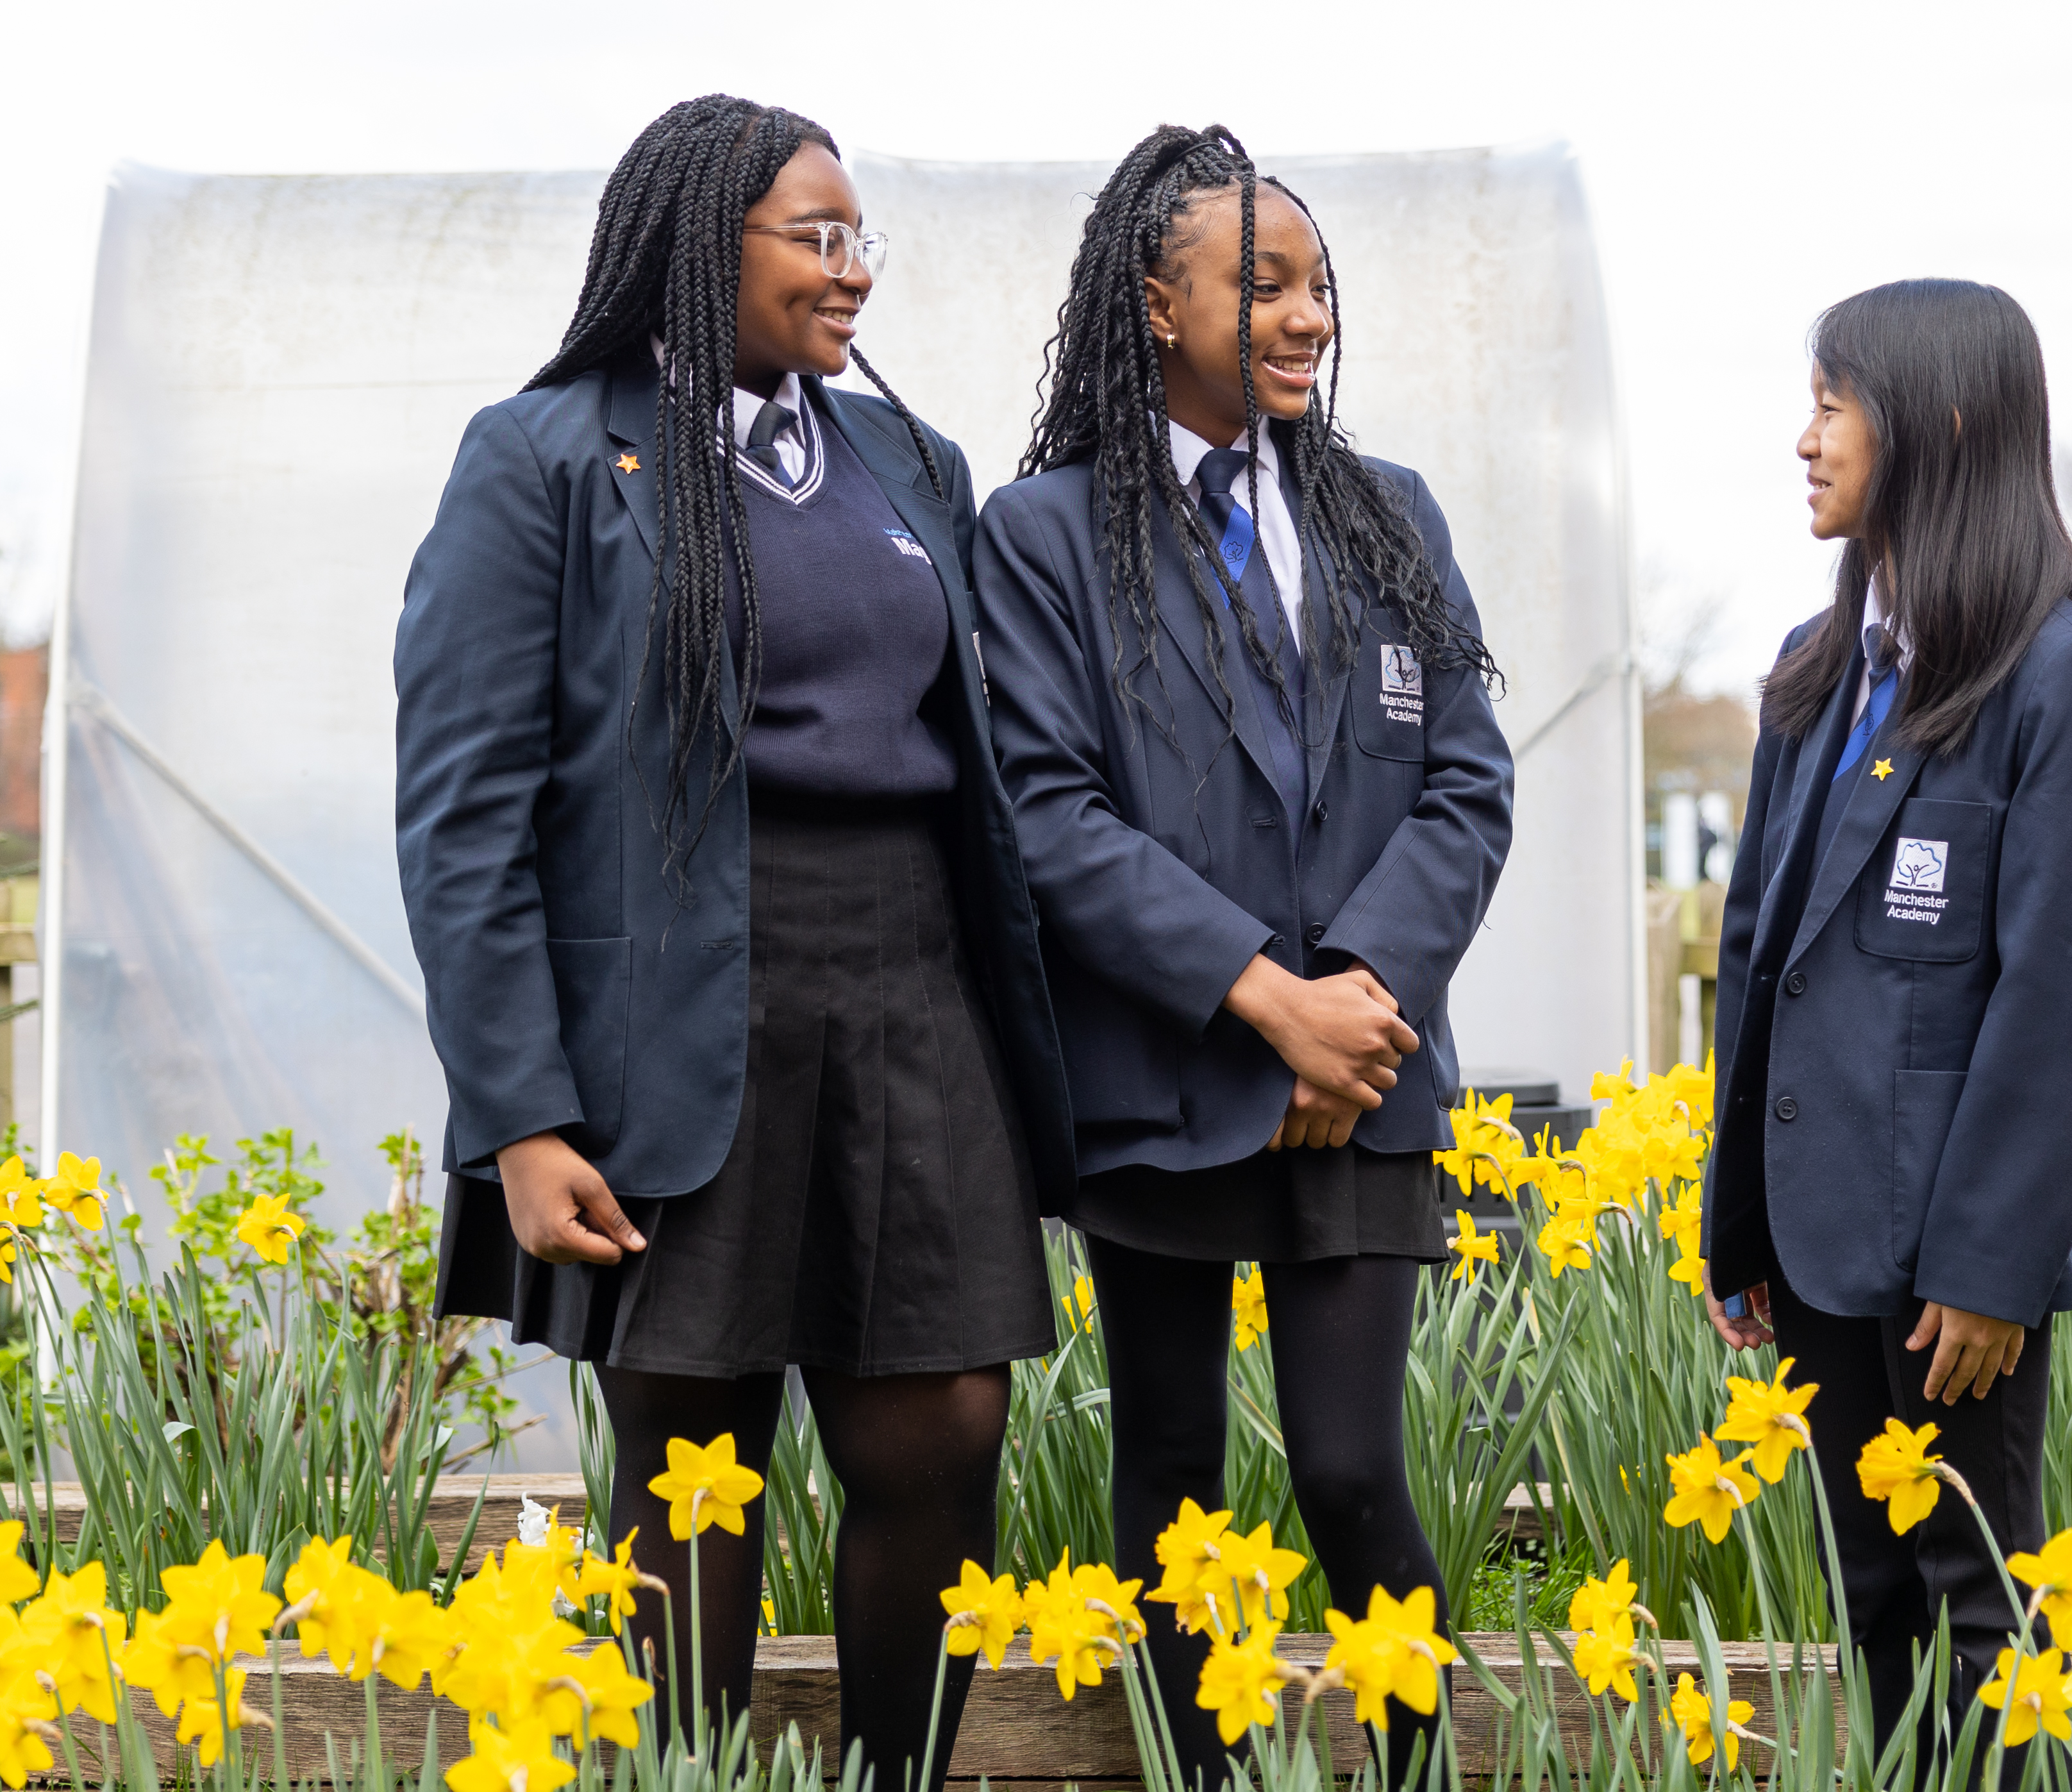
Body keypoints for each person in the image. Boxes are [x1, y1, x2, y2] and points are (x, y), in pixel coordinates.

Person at [394, 95, 1071, 1785]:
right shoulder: (548, 454)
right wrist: (523, 1119)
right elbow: (463, 810)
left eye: (862, 241)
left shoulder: (911, 464)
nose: (855, 275)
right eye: (817, 238)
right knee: (695, 1460)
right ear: (706, 244)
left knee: (945, 1425)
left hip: (915, 988)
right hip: (681, 1016)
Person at [971, 124, 1512, 1785]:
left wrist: (1350, 1003)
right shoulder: (1046, 535)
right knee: (1177, 1484)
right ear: (1155, 302)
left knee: (1355, 1475)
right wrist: (1260, 1000)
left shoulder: (1386, 514)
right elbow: (1048, 812)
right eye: (1262, 285)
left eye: (1317, 283)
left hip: (1365, 1074)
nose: (1306, 318)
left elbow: (1468, 784)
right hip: (1178, 1079)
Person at [1701, 279, 2072, 1770]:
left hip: (1947, 1275)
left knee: (1981, 1615)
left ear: (1937, 423)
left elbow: (2055, 994)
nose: (1804, 439)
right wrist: (1734, 1230)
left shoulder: (2055, 679)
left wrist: (1990, 1270)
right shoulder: (1815, 678)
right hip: (1817, 1248)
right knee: (1870, 1602)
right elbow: (1758, 957)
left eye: (1832, 404)